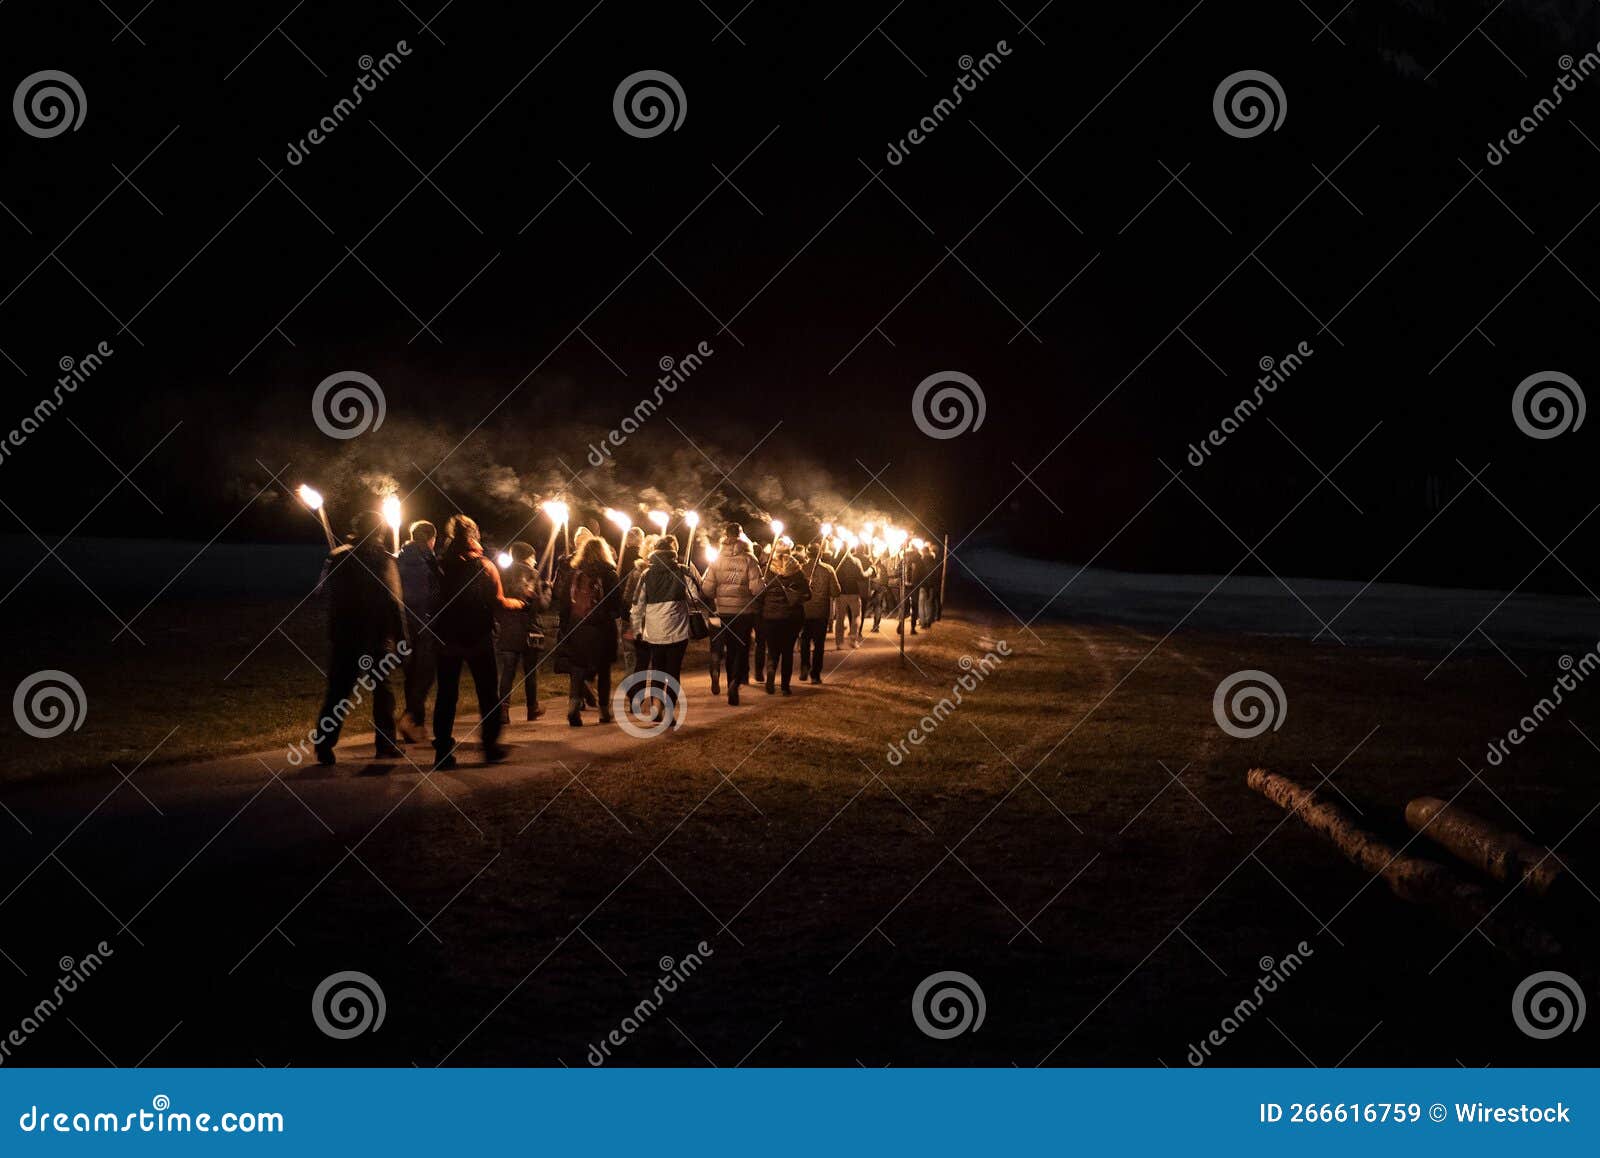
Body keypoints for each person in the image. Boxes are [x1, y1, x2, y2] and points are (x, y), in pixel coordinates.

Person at [313, 511, 408, 765]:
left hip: (345, 635)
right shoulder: (383, 559)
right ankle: (386, 744)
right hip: (376, 636)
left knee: (339, 692)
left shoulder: (338, 556)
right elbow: (394, 601)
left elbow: (321, 593)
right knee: (383, 691)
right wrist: (402, 638)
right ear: (379, 531)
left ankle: (324, 744)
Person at [432, 514, 525, 769]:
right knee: (487, 694)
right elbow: (498, 601)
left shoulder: (440, 565)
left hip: (447, 638)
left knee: (447, 695)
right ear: (474, 535)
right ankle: (490, 747)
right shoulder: (484, 566)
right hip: (478, 638)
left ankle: (442, 751)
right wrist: (518, 602)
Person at [630, 536, 701, 730]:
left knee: (657, 669)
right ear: (672, 553)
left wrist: (636, 628)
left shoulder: (646, 574)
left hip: (653, 632)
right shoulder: (682, 570)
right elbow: (695, 596)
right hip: (677, 629)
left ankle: (656, 707)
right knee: (673, 672)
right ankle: (668, 710)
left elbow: (637, 604)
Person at [554, 535, 622, 725]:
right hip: (602, 628)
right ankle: (603, 712)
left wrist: (566, 627)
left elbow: (565, 603)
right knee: (604, 670)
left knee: (577, 668)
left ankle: (573, 707)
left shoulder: (574, 574)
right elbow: (616, 605)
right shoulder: (610, 574)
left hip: (578, 627)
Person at [700, 522, 764, 705]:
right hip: (744, 613)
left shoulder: (716, 560)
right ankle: (736, 681)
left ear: (724, 536)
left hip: (723, 612)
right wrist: (761, 585)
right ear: (741, 535)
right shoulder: (749, 559)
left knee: (728, 649)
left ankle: (729, 681)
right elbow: (757, 588)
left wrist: (718, 593)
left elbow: (707, 589)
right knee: (741, 649)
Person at [495, 541, 551, 724]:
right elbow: (541, 606)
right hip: (528, 629)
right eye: (533, 557)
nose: (535, 561)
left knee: (507, 672)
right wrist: (547, 590)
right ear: (528, 556)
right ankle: (532, 708)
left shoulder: (501, 573)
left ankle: (503, 711)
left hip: (508, 629)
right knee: (530, 672)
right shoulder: (533, 574)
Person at [395, 520, 440, 742]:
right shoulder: (428, 562)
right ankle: (410, 717)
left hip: (402, 627)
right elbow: (431, 595)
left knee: (411, 675)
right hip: (424, 625)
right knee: (425, 674)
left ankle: (417, 727)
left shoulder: (397, 558)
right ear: (432, 539)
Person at [756, 544, 809, 695]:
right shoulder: (797, 571)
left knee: (772, 650)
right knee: (787, 652)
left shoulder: (768, 571)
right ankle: (785, 687)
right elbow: (808, 594)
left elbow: (760, 594)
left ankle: (771, 667)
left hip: (770, 617)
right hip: (791, 618)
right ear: (789, 553)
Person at [798, 540, 840, 684]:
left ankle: (804, 665)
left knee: (804, 640)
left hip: (804, 611)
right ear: (821, 554)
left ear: (807, 554)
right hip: (821, 612)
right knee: (819, 644)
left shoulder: (800, 569)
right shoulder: (828, 570)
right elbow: (836, 592)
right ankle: (815, 674)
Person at [619, 534, 656, 677]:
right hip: (651, 622)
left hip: (634, 620)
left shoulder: (636, 572)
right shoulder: (656, 574)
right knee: (651, 660)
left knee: (635, 659)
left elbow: (627, 597)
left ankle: (633, 689)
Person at [833, 543, 868, 649]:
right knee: (856, 616)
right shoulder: (855, 561)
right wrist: (870, 571)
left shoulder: (835, 561)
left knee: (840, 617)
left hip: (840, 593)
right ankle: (853, 640)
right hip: (853, 592)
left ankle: (839, 643)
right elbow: (862, 576)